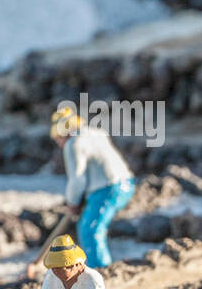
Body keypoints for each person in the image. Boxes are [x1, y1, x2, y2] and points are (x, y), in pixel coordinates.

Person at [28, 104, 134, 275]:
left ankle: (102, 272)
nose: (59, 144)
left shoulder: (73, 143)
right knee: (88, 226)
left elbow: (77, 180)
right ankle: (96, 268)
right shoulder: (96, 133)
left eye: (58, 139)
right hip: (126, 183)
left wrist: (72, 202)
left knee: (90, 229)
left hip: (108, 188)